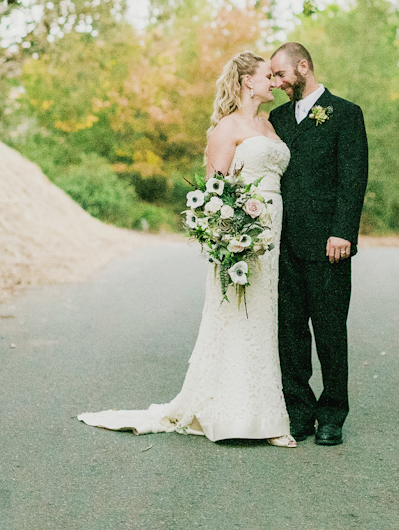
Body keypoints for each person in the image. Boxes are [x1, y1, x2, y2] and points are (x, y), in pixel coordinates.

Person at [77, 51, 297, 447]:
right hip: (241, 233)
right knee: (237, 314)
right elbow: (214, 193)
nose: (275, 82)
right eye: (268, 76)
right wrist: (232, 237)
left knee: (264, 317)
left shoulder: (269, 124)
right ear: (248, 81)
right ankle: (234, 416)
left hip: (274, 229)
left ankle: (266, 415)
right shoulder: (226, 128)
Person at [269, 42, 368, 446]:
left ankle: (332, 416)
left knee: (329, 332)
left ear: (303, 67)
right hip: (282, 245)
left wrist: (343, 230)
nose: (275, 83)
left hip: (330, 245)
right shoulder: (275, 118)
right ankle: (299, 411)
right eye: (272, 77)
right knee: (289, 333)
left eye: (279, 74)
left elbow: (353, 177)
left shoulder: (346, 114)